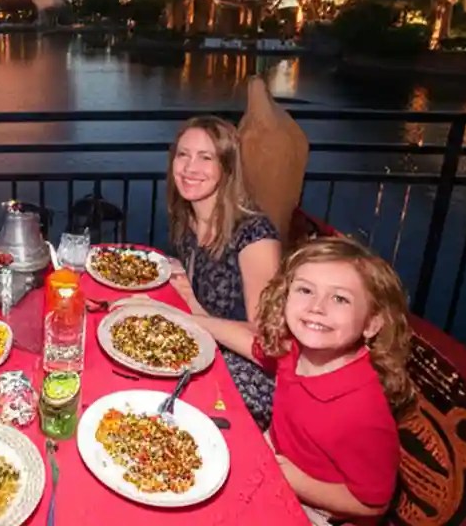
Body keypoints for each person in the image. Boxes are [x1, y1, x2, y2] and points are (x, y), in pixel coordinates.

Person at [192, 237, 415, 525]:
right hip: (276, 460)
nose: (316, 307)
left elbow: (372, 502)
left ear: (372, 323)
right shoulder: (296, 352)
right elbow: (252, 343)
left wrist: (290, 477)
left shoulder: (362, 410)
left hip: (317, 511)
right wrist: (191, 320)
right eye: (305, 290)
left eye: (340, 298)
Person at [164, 115, 283, 428]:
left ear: (227, 168)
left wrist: (188, 318)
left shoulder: (255, 236)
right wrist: (188, 295)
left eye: (206, 158)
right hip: (207, 351)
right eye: (183, 155)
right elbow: (207, 308)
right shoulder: (188, 220)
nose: (190, 168)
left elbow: (266, 346)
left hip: (250, 380)